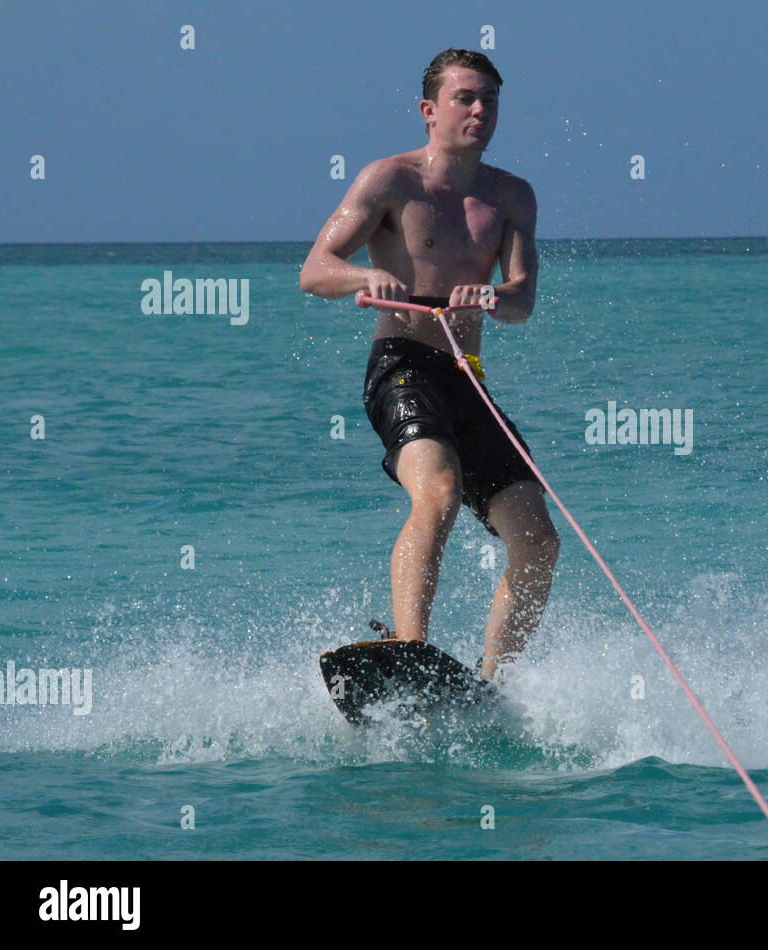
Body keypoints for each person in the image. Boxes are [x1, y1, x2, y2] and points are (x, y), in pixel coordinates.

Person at [300, 49, 558, 683]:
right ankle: (408, 649)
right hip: (402, 367)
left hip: (467, 373)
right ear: (428, 111)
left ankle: (493, 683)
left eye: (489, 100)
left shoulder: (511, 197)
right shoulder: (388, 181)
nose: (479, 110)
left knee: (538, 541)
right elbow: (315, 270)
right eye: (465, 98)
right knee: (438, 490)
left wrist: (494, 296)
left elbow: (522, 300)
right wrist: (367, 273)